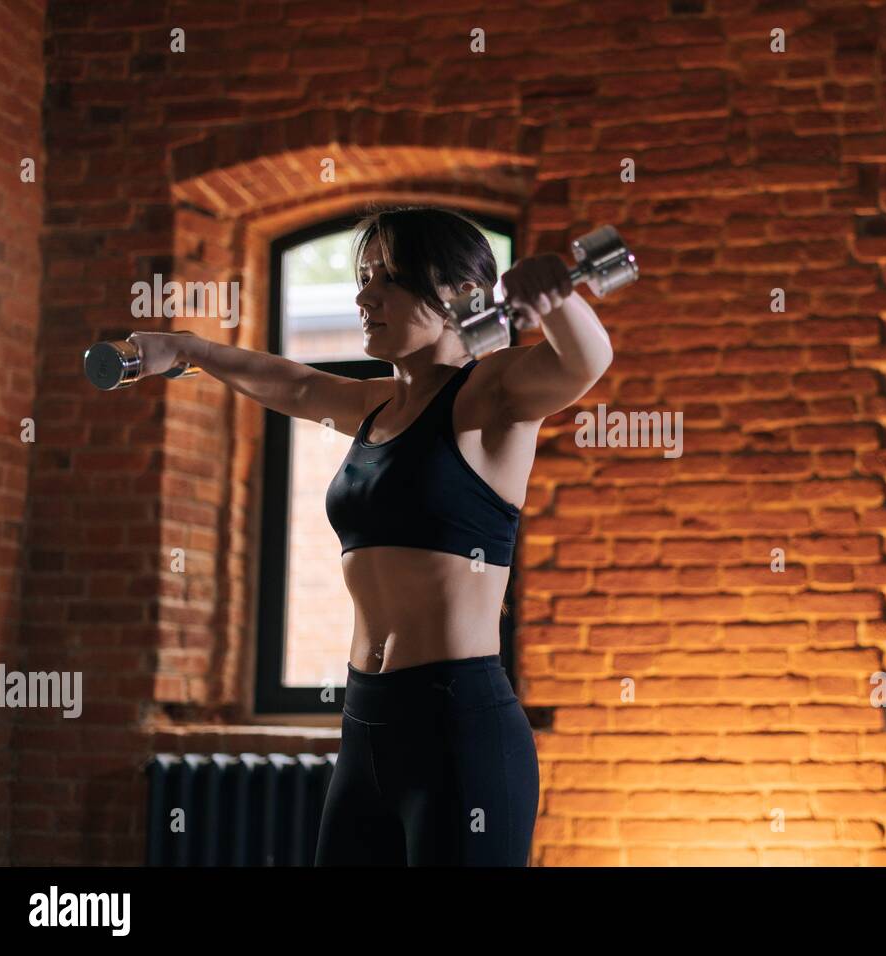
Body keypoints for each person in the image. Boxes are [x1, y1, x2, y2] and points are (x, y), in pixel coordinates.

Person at [127, 205, 614, 865]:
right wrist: (187, 350)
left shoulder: (488, 396)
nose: (363, 296)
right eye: (362, 277)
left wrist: (556, 300)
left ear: (460, 295)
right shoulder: (374, 407)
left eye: (387, 278)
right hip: (366, 725)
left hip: (459, 728)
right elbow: (296, 385)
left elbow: (585, 362)